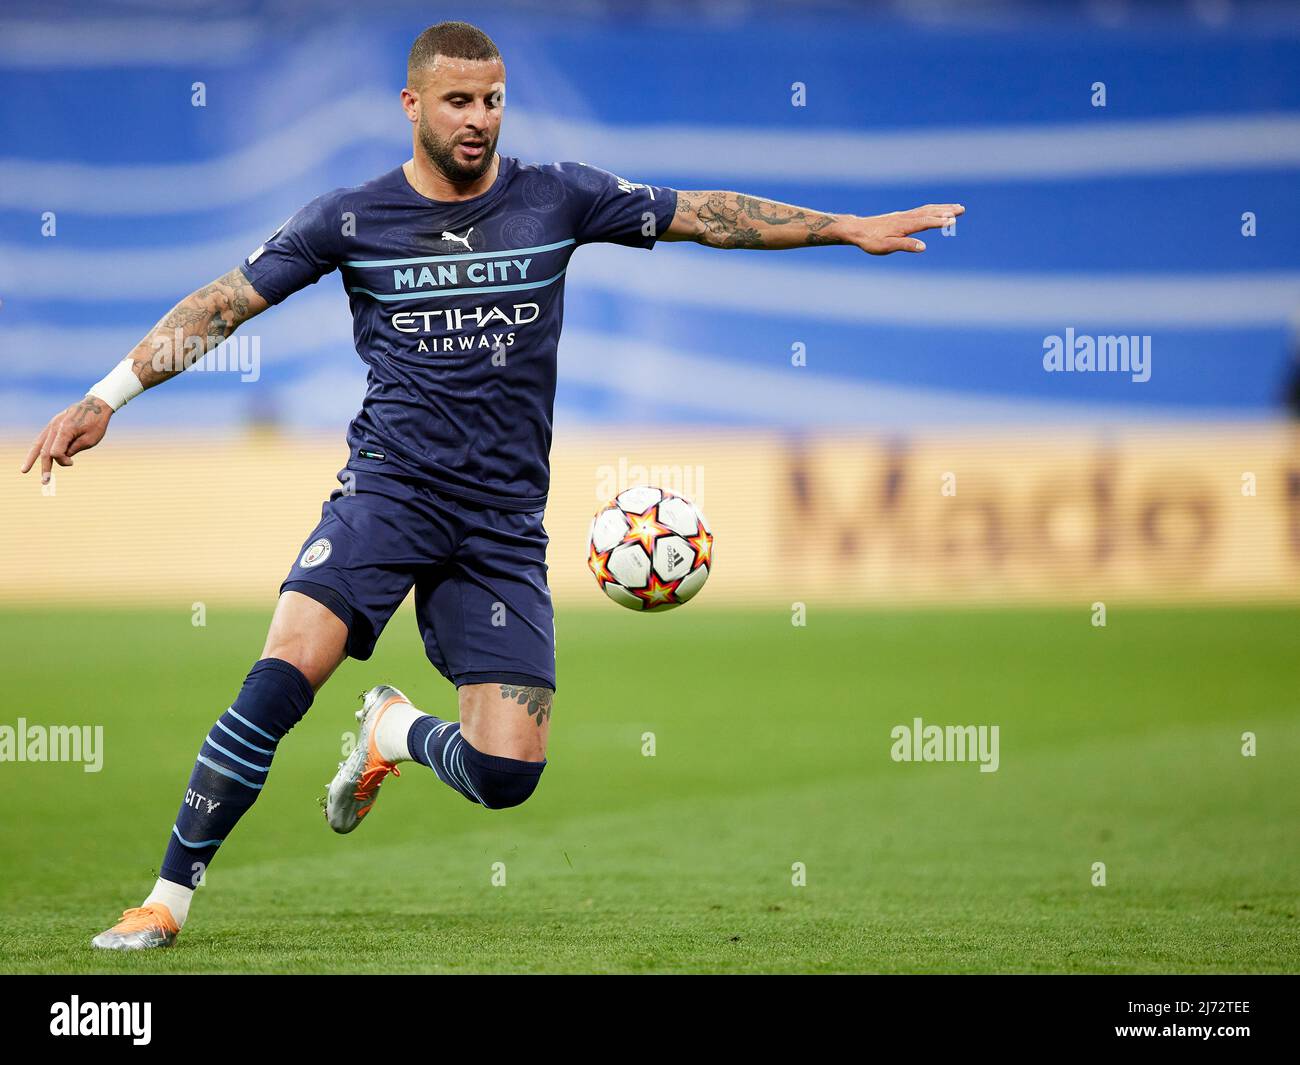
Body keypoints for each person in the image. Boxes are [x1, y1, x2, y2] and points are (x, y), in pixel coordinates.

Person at [19, 20, 964, 950]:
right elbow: (224, 302)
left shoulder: (558, 199)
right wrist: (110, 396)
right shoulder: (350, 218)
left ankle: (393, 728)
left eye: (494, 101)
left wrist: (845, 227)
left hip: (504, 521)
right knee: (282, 671)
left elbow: (703, 214)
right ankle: (165, 900)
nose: (480, 119)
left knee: (507, 774)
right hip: (390, 492)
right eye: (460, 101)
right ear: (413, 105)